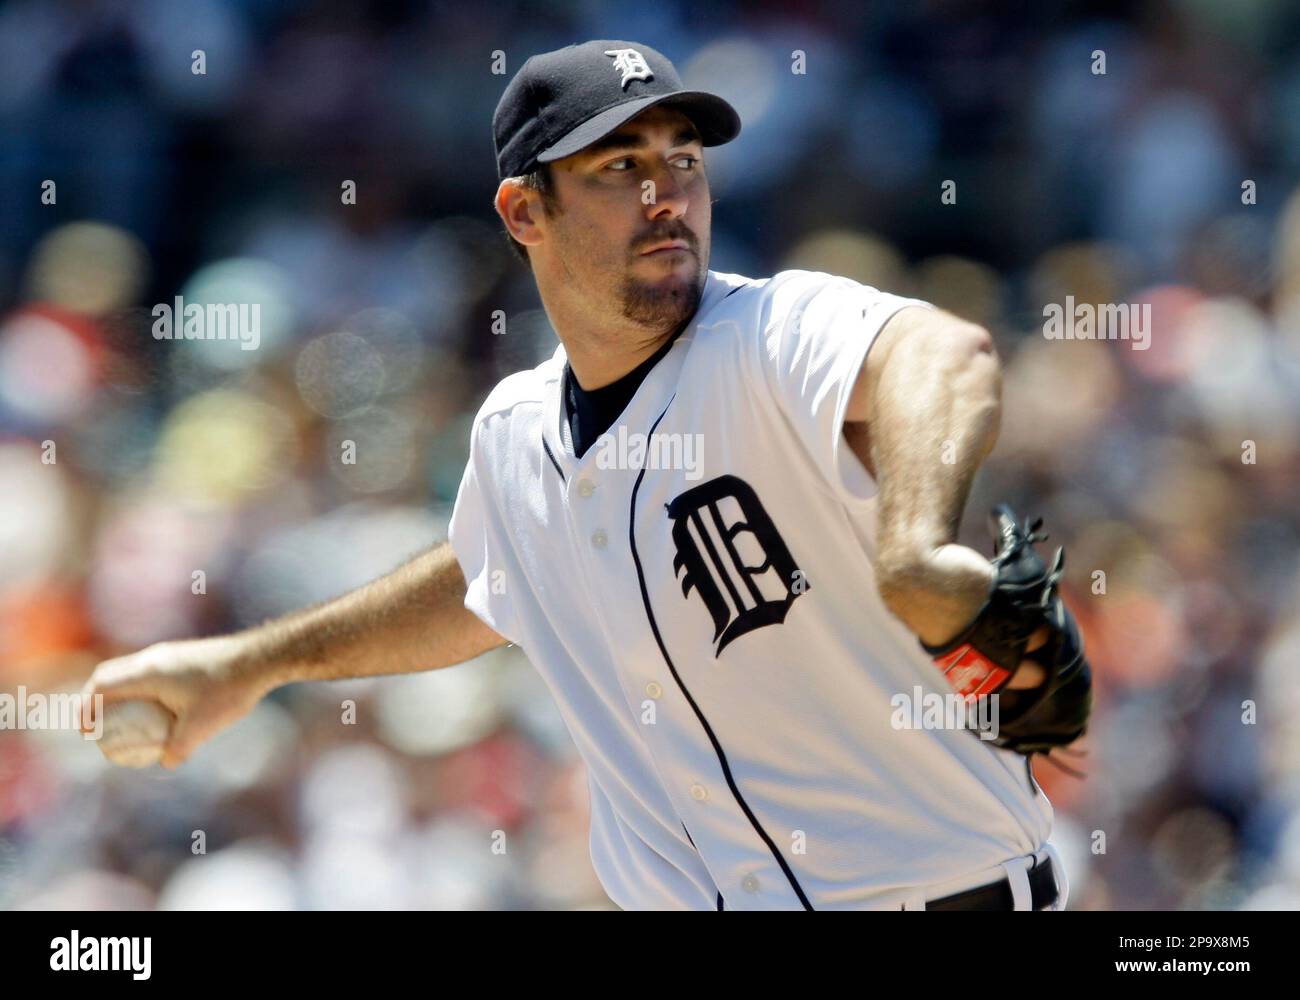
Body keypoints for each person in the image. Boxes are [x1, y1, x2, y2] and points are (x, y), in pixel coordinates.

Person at [83, 40, 1088, 910]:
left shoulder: (768, 335)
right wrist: (247, 665)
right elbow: (484, 577)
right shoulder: (517, 430)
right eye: (618, 166)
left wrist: (911, 543)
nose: (666, 197)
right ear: (525, 211)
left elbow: (939, 355)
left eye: (682, 160)